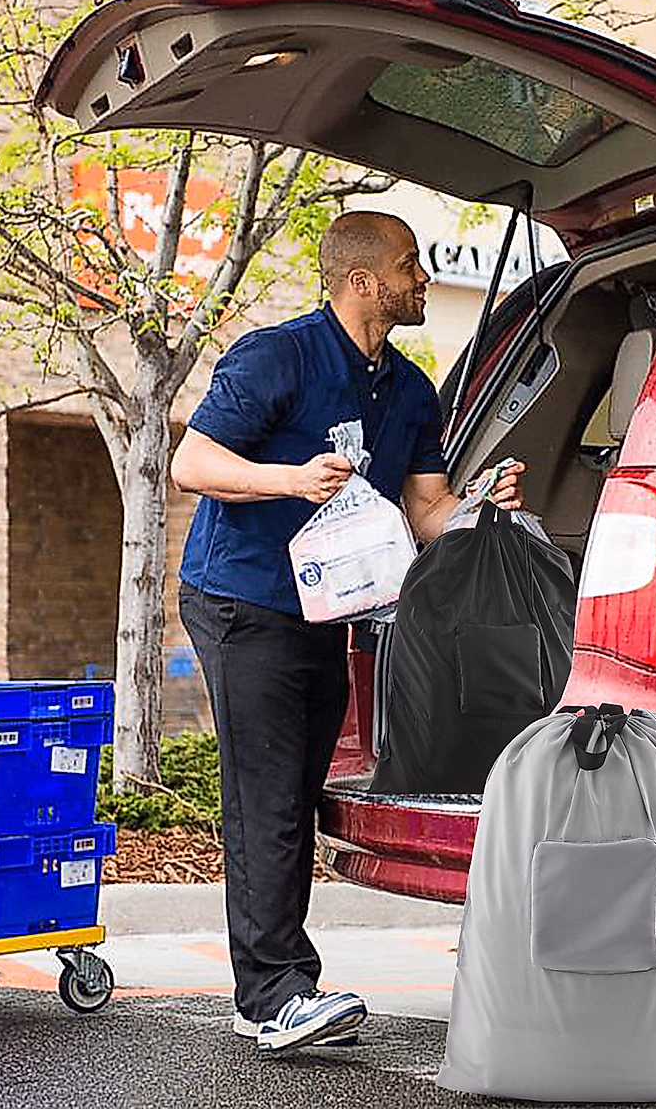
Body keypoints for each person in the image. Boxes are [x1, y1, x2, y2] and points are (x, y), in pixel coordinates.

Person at [171, 210, 526, 1053]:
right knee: (267, 795)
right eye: (410, 266)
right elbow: (192, 463)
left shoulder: (408, 387)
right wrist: (289, 479)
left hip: (325, 613)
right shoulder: (276, 357)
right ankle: (272, 997)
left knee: (295, 791)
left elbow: (426, 510)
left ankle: (279, 987)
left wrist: (482, 507)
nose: (423, 280)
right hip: (240, 599)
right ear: (362, 281)